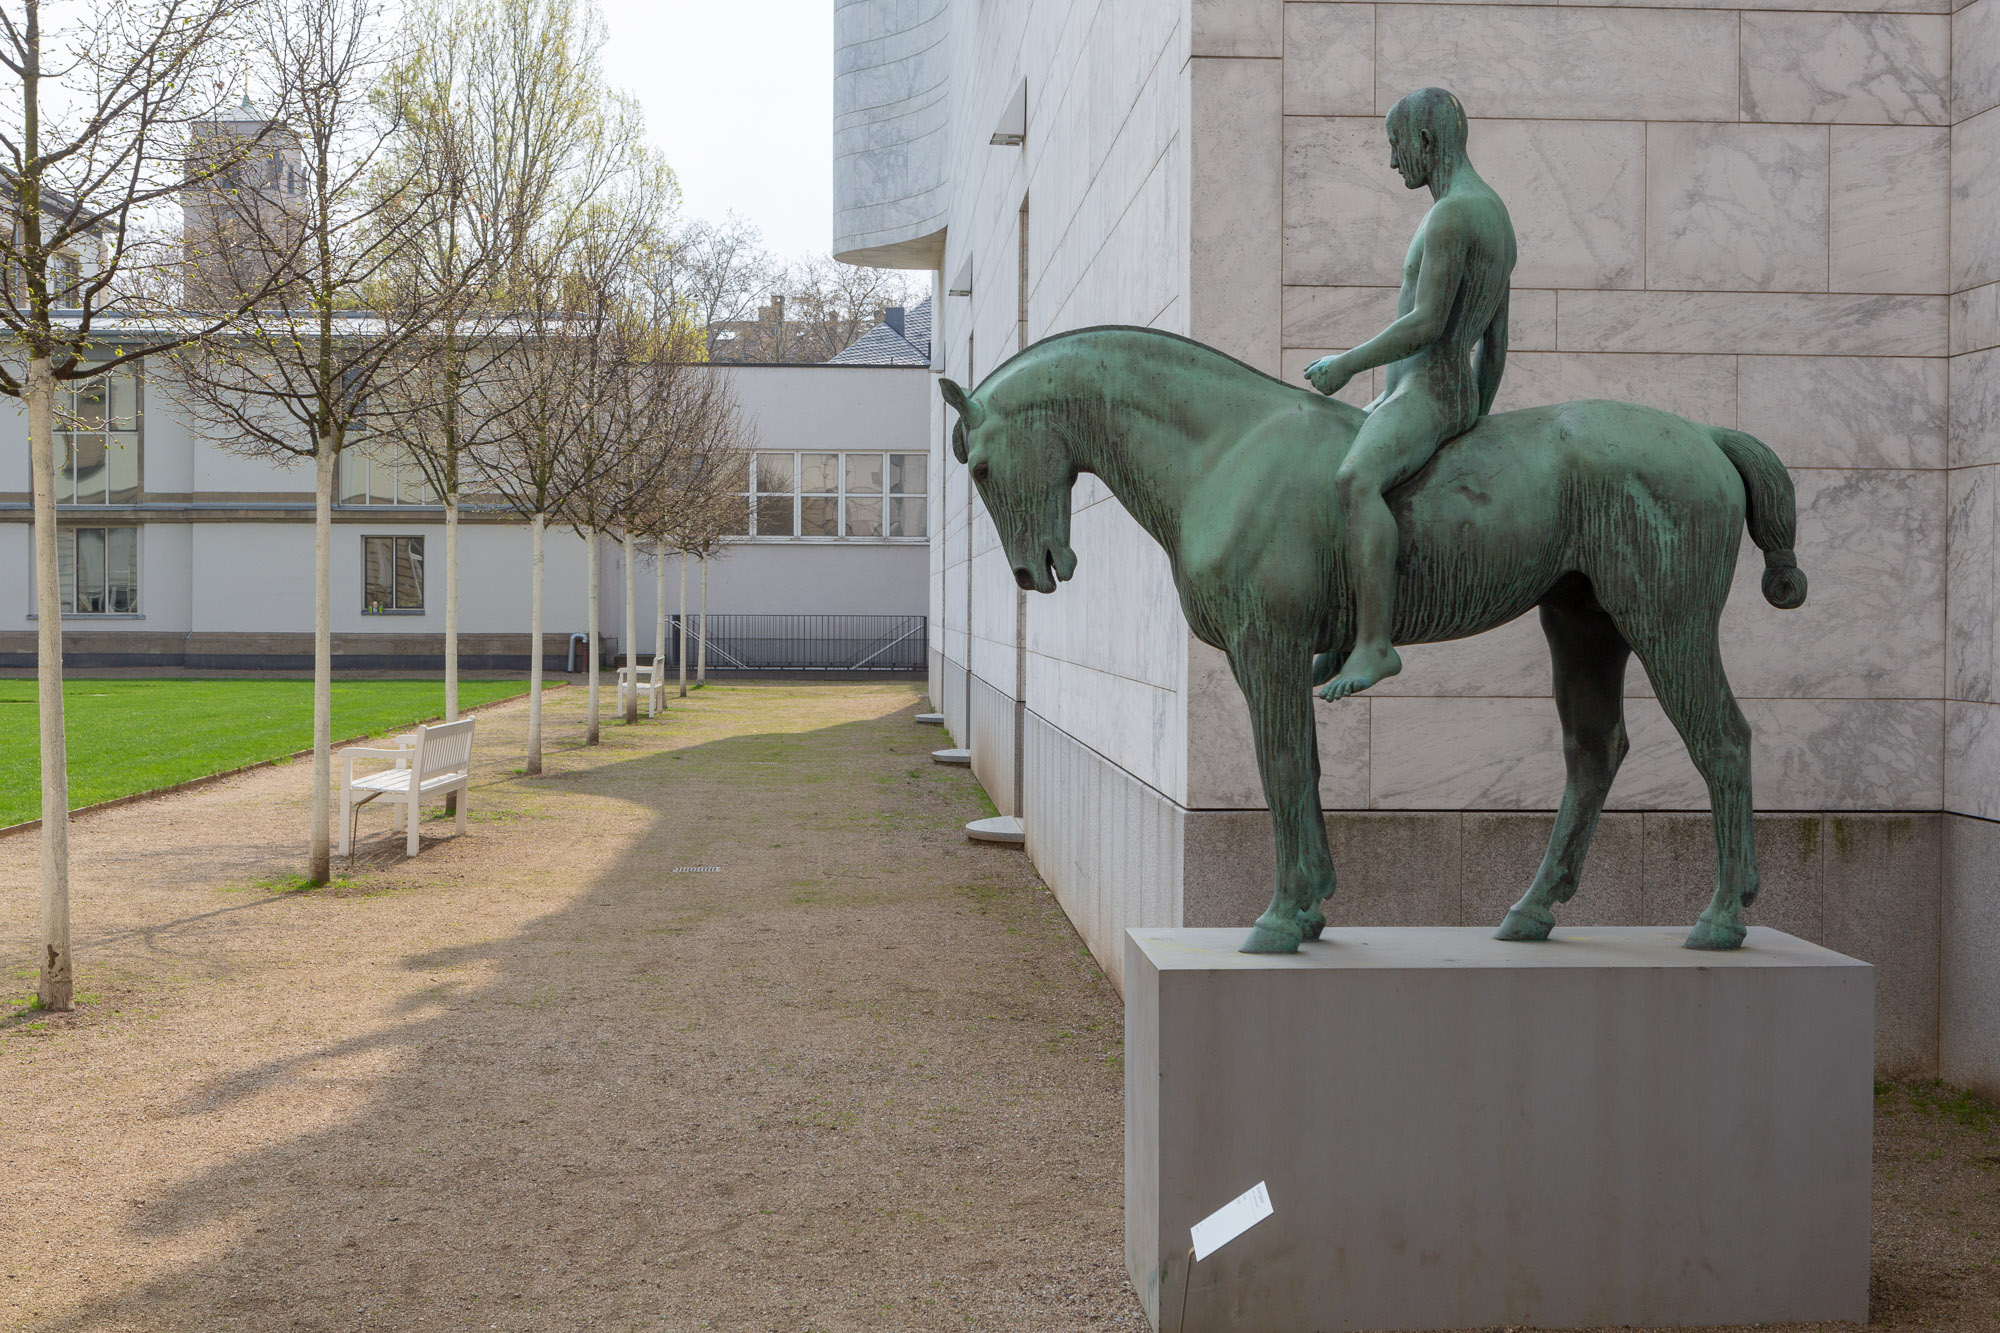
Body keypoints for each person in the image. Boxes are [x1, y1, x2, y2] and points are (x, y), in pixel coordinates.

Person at [1305, 87, 1516, 699]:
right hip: (1440, 393)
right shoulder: (1494, 212)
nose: (1393, 162)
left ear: (1425, 142)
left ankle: (1374, 642)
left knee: (1355, 481)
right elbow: (1497, 343)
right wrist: (1476, 409)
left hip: (1427, 394)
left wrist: (1348, 363)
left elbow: (1426, 323)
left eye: (1396, 146)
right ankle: (1344, 633)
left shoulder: (1452, 215)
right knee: (1327, 462)